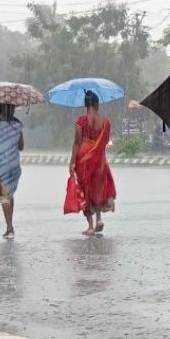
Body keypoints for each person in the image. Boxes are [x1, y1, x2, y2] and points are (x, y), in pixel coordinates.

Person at [68, 90, 117, 237]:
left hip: (84, 159)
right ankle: (99, 219)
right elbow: (105, 142)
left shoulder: (81, 122)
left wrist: (72, 162)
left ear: (85, 105)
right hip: (99, 160)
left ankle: (90, 226)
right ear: (97, 104)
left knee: (86, 191)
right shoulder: (105, 123)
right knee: (98, 188)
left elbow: (77, 143)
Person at [0, 103, 24, 239]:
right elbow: (21, 147)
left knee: (3, 196)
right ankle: (10, 226)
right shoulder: (18, 125)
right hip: (15, 165)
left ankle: (9, 228)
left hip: (1, 164)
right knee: (10, 195)